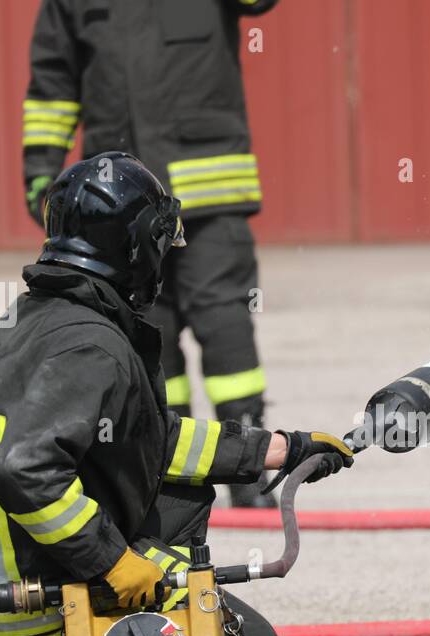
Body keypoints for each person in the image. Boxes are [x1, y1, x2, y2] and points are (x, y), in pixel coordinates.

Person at [0, 153, 352, 636]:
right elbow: (28, 476)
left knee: (180, 497)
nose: (166, 253)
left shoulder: (38, 316)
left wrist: (277, 449)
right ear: (133, 246)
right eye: (160, 238)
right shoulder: (92, 346)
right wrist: (112, 563)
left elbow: (146, 440)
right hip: (27, 596)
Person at [22, 0, 279, 507]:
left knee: (222, 315)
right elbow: (53, 83)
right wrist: (41, 173)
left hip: (208, 188)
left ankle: (247, 466)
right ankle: (171, 466)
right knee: (145, 326)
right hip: (122, 199)